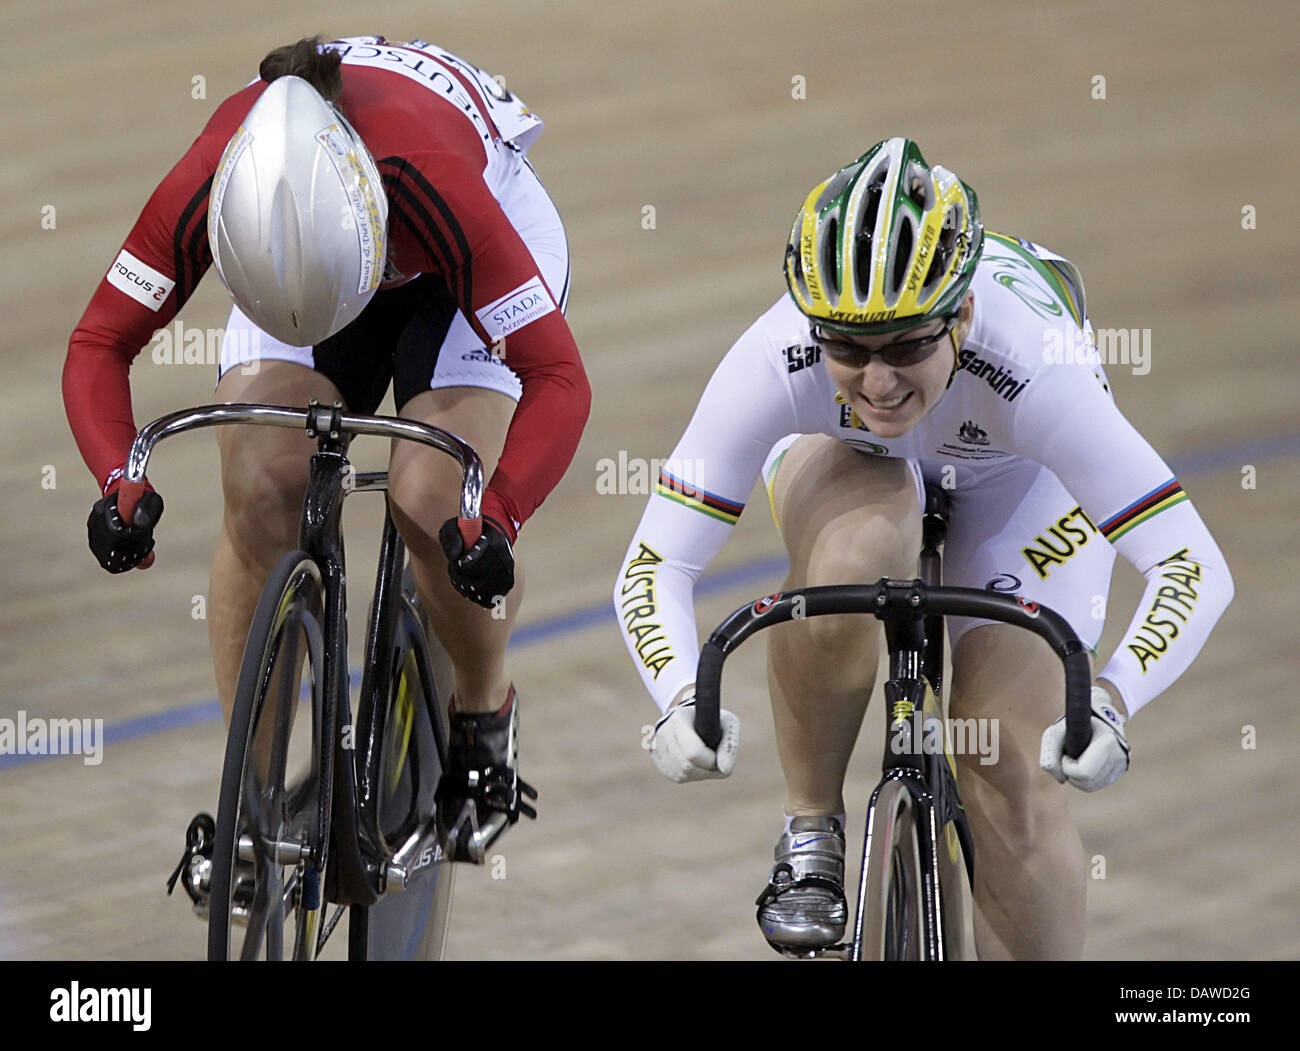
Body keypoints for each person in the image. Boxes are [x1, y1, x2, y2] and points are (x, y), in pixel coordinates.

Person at [614, 137, 1232, 958]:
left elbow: (1192, 564)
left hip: (1018, 483)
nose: (876, 383)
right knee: (850, 561)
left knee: (1009, 769)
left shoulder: (1039, 368)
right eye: (847, 349)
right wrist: (673, 694)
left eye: (906, 345)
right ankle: (810, 836)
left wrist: (1112, 701)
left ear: (963, 316)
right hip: (855, 466)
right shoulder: (776, 358)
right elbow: (659, 558)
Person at [65, 35, 591, 865]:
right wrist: (114, 480)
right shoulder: (211, 178)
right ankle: (253, 801)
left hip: (448, 266)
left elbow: (559, 376)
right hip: (300, 272)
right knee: (265, 483)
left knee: (431, 495)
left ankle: (485, 715)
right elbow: (100, 340)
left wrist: (498, 511)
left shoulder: (434, 183)